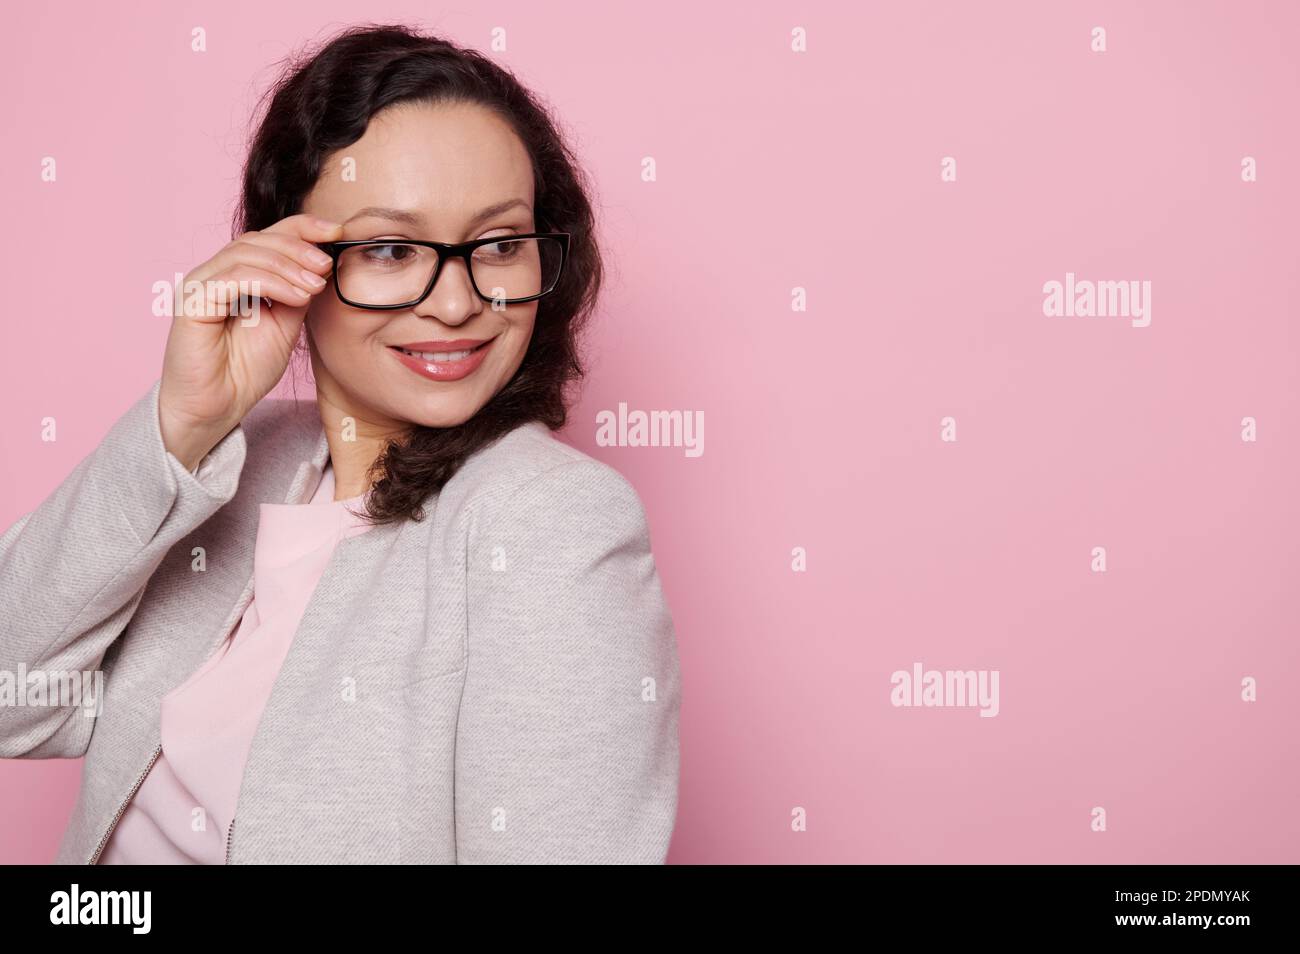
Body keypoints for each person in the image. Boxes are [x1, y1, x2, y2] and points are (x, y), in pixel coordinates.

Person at [0, 23, 681, 864]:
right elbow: (13, 699)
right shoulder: (246, 465)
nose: (460, 303)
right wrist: (180, 427)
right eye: (392, 249)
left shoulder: (551, 523)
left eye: (500, 245)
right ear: (286, 259)